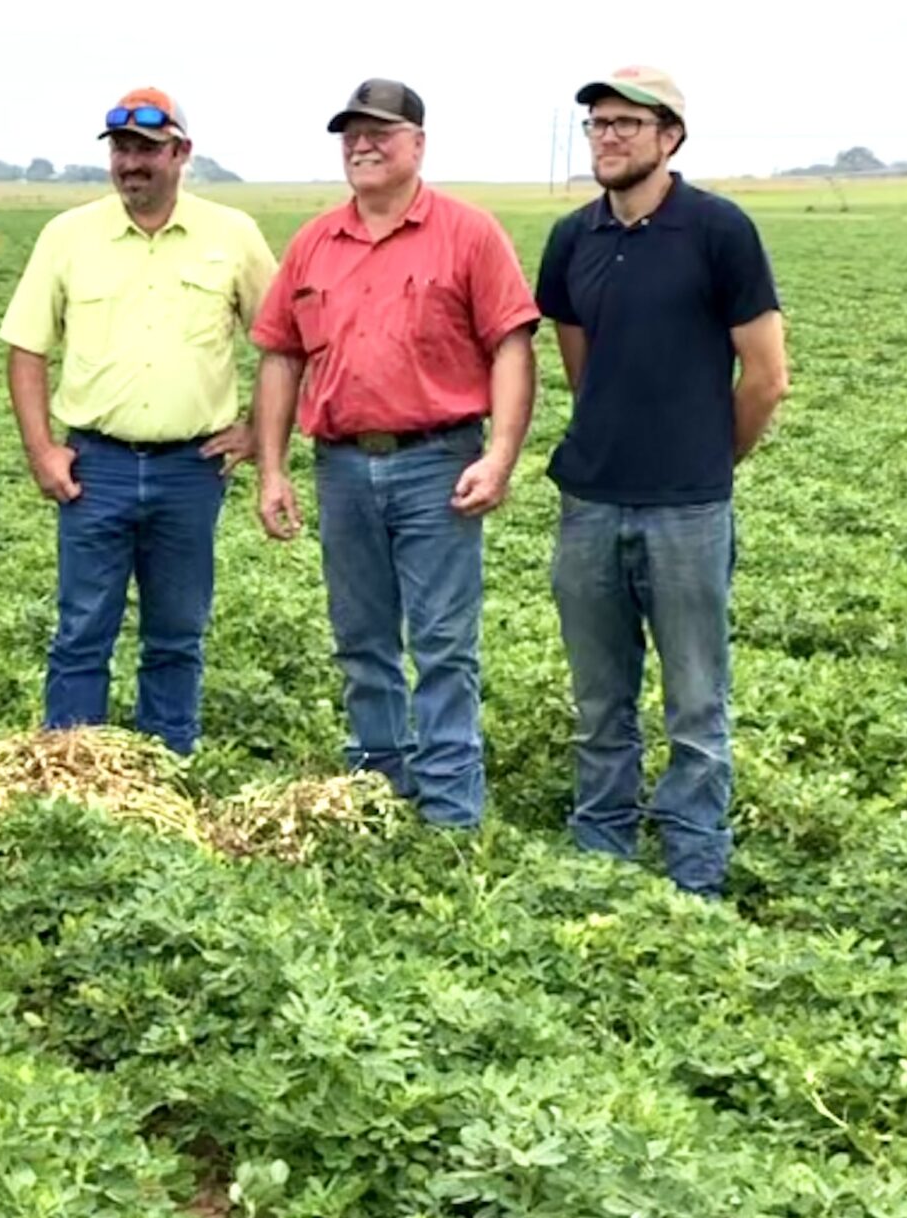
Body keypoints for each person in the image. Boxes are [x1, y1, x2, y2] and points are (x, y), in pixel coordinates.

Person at [250, 79, 539, 828]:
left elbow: (511, 345)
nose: (362, 145)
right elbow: (280, 355)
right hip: (342, 465)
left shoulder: (468, 234)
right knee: (361, 637)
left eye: (379, 132)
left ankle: (450, 809)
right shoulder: (315, 243)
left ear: (418, 144)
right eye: (351, 133)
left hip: (437, 460)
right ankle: (378, 787)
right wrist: (272, 468)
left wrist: (500, 456)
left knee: (443, 641)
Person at [533, 66, 789, 897]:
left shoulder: (719, 230)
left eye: (626, 124)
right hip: (591, 501)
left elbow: (766, 377)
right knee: (598, 698)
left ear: (670, 137)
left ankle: (693, 870)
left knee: (696, 704)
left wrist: (709, 460)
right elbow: (582, 365)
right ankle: (600, 854)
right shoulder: (572, 237)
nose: (607, 137)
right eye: (597, 124)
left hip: (688, 510)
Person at [0, 87, 278, 756]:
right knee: (81, 630)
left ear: (181, 153)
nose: (131, 163)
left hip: (193, 468)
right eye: (121, 149)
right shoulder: (68, 236)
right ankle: (73, 770)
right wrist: (41, 450)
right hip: (95, 467)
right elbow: (26, 348)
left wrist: (258, 432)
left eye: (147, 149)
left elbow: (283, 341)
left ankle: (166, 764)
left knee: (177, 634)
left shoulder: (232, 235)